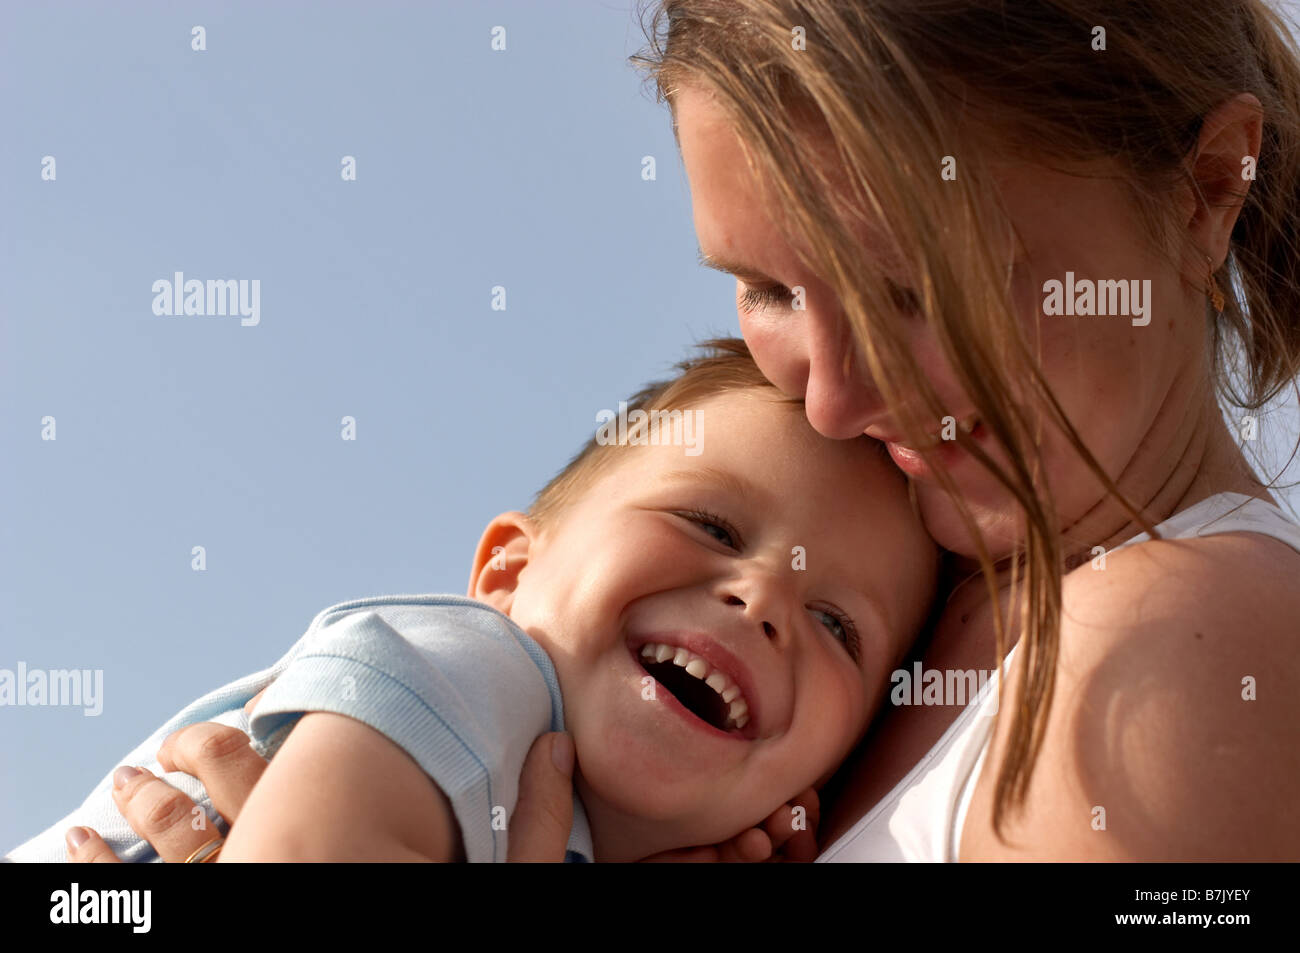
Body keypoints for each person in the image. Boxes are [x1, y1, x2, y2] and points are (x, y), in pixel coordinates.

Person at [635, 0, 1300, 860]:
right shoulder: (844, 609)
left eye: (918, 291)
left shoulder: (1177, 664)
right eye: (768, 289)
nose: (833, 402)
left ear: (1207, 189)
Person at [7, 340, 938, 863]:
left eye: (837, 625)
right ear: (506, 574)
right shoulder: (471, 672)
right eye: (712, 524)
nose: (765, 595)